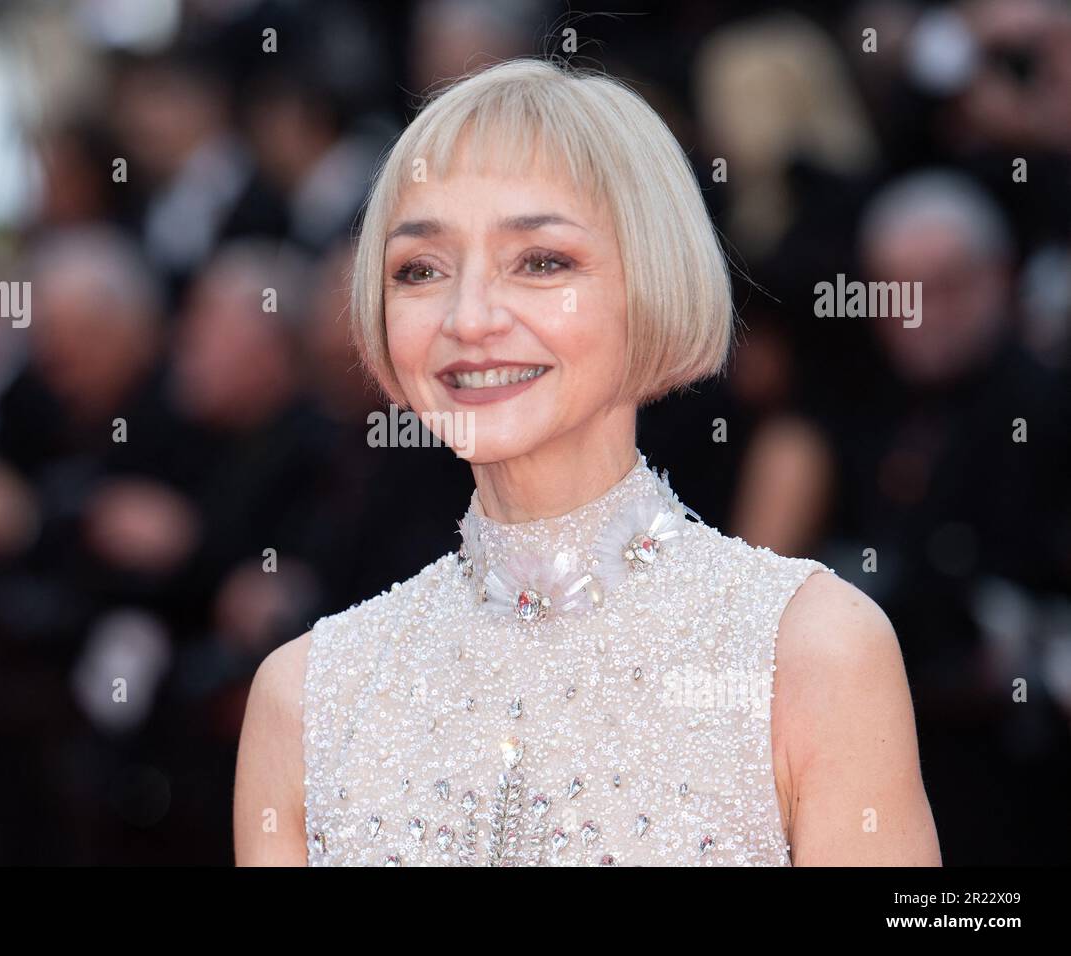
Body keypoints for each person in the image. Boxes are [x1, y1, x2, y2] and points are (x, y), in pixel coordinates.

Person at [233, 58, 940, 867]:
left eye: (540, 261)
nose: (470, 318)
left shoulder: (808, 651)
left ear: (649, 281)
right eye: (420, 270)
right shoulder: (308, 696)